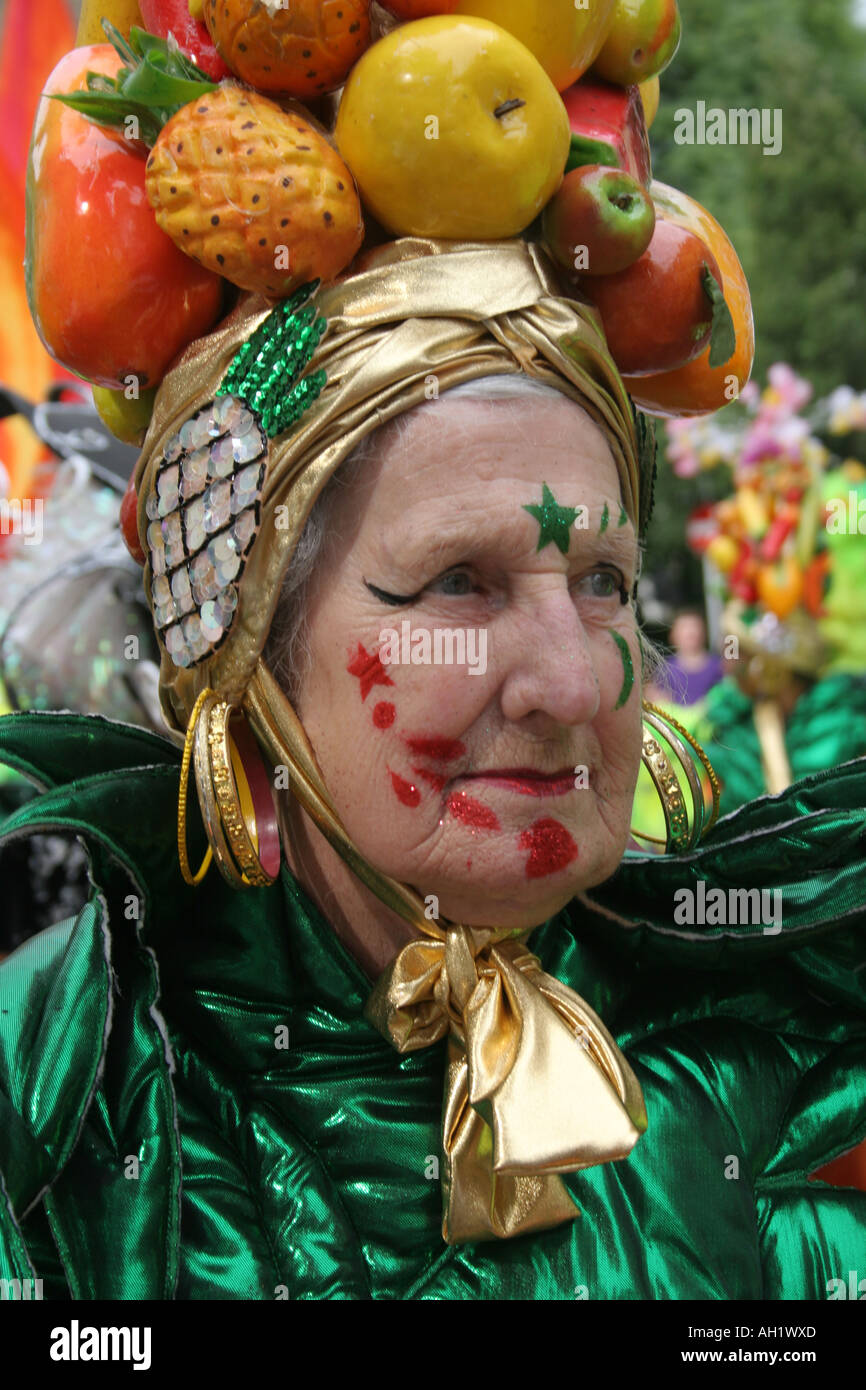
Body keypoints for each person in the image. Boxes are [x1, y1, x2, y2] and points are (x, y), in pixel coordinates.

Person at [1, 236, 864, 1300]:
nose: (576, 684)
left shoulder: (778, 1060)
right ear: (250, 656)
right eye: (459, 580)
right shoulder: (61, 1129)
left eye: (601, 579)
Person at [653, 608, 723, 707]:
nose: (691, 633)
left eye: (695, 627)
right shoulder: (665, 671)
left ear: (704, 632)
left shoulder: (719, 667)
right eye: (684, 628)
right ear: (673, 635)